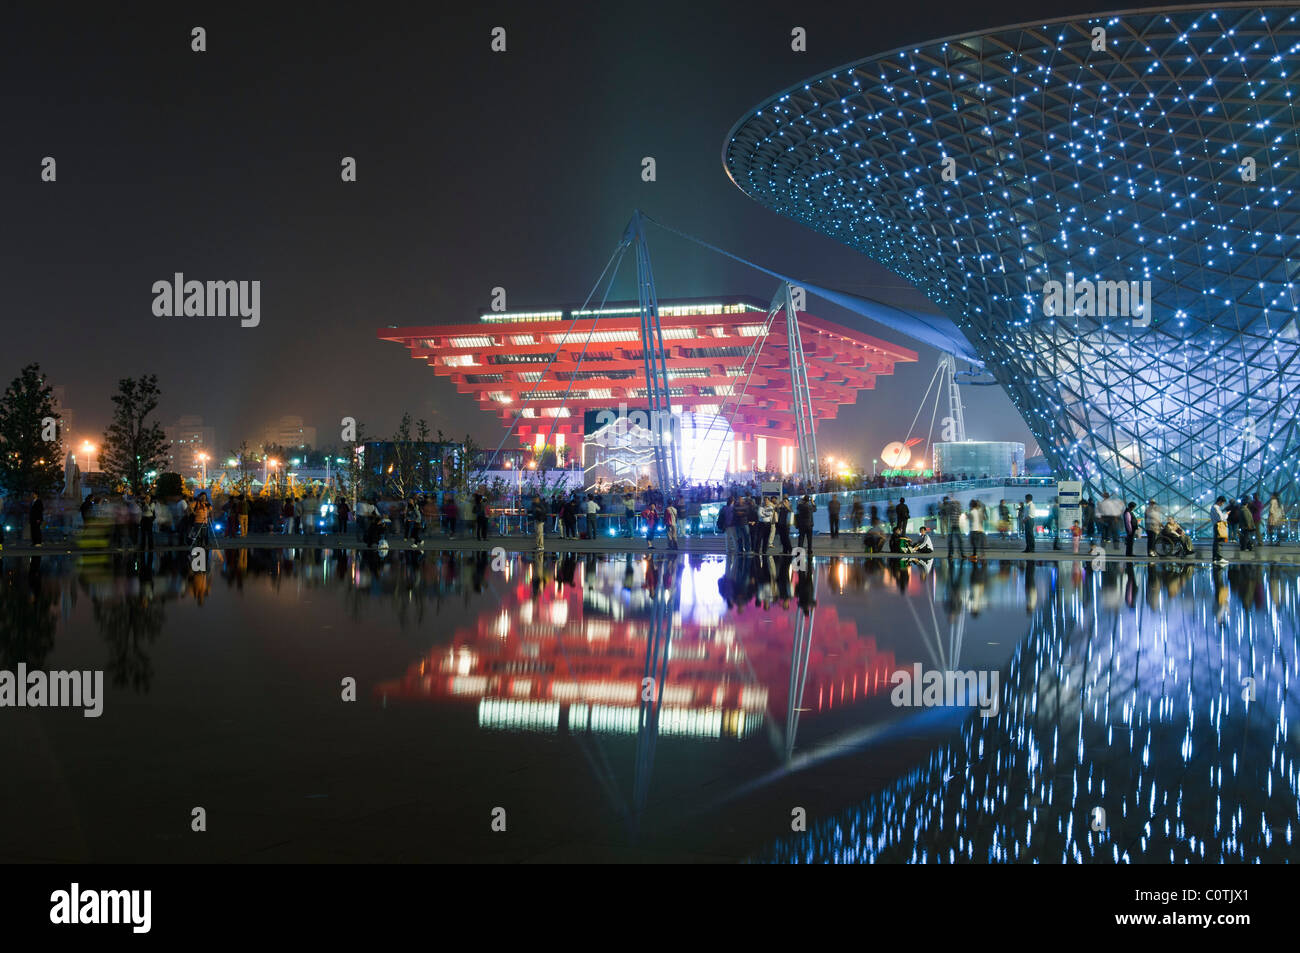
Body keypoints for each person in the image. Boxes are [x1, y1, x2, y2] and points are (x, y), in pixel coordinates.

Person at [1210, 496, 1228, 565]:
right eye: (1222, 502)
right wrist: (1226, 514)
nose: (1222, 504)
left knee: (1216, 541)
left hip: (1216, 525)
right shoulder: (1216, 508)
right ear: (1220, 501)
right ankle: (1219, 558)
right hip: (1218, 525)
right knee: (1219, 541)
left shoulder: (1213, 507)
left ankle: (1215, 558)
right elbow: (1221, 518)